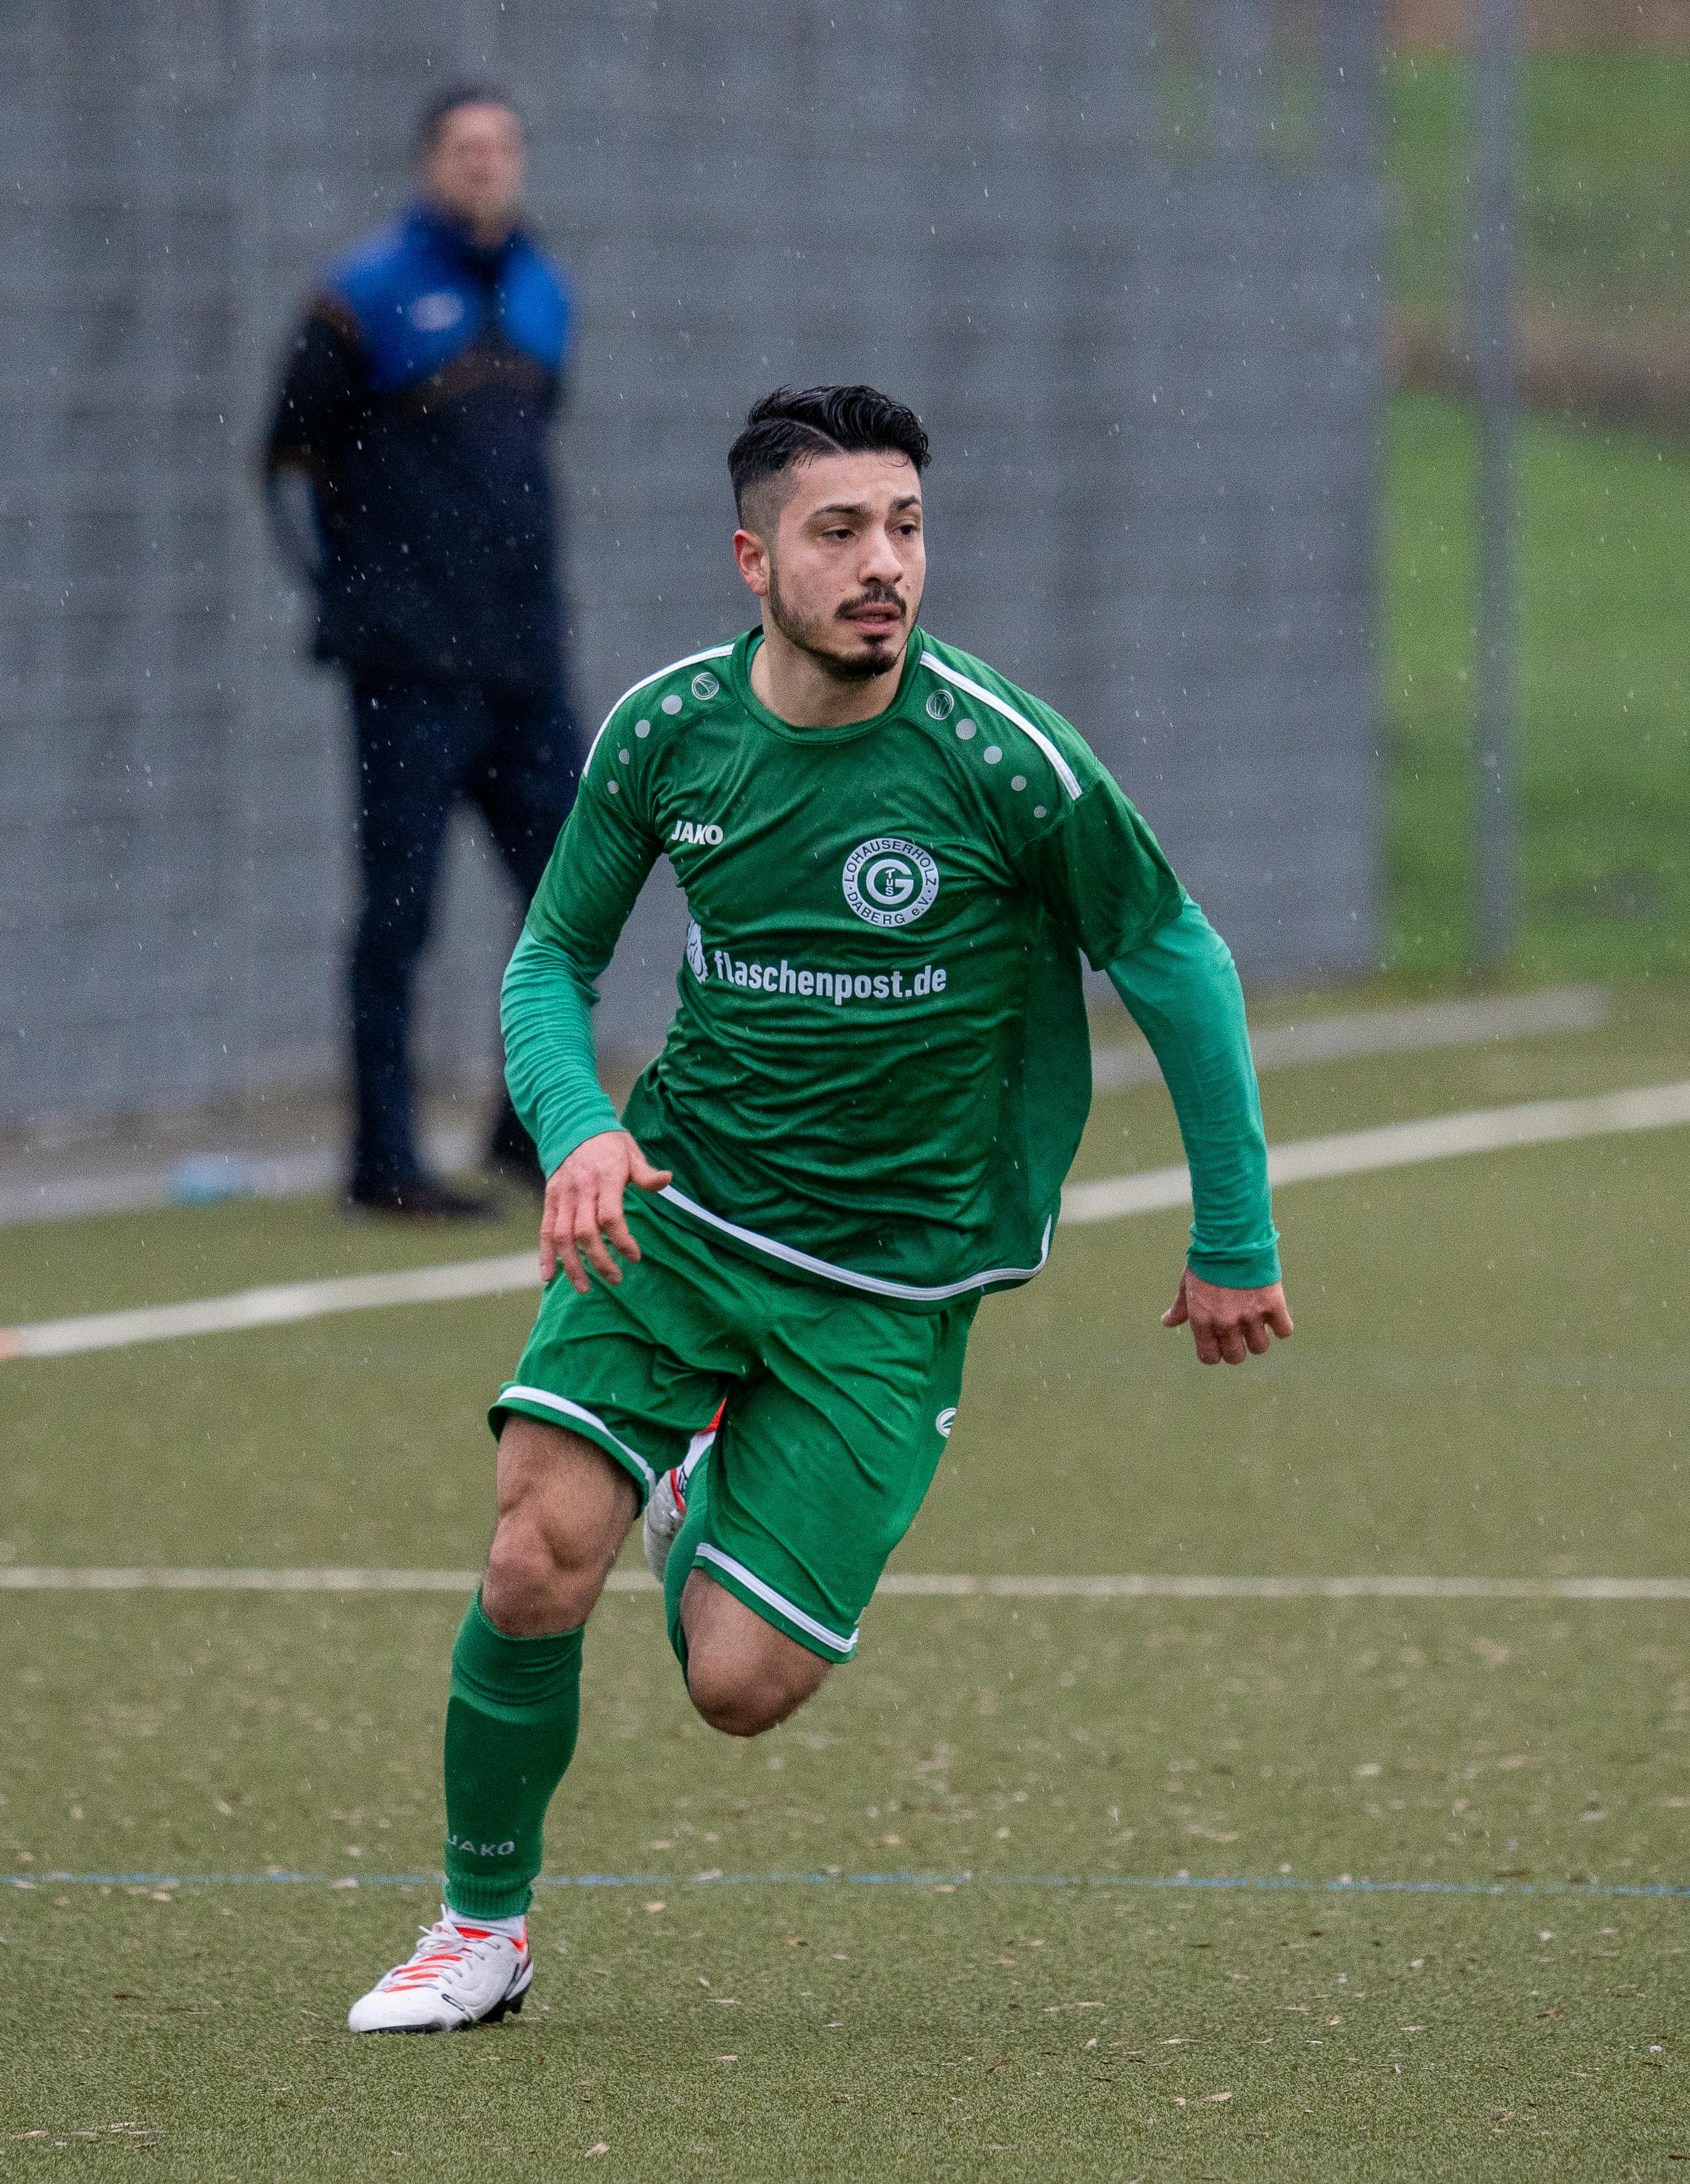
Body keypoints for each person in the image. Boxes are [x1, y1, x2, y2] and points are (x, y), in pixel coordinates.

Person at [343, 384, 1293, 2033]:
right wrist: (574, 1131)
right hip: (678, 1208)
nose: (883, 566)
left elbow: (1174, 956)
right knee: (531, 1558)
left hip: (893, 1275)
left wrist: (1234, 1239)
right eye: (839, 531)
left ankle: (695, 1484)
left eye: (906, 528)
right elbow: (554, 955)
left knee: (740, 1688)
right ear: (751, 558)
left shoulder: (1006, 759)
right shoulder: (663, 733)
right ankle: (475, 1929)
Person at [262, 84, 578, 1216]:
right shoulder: (362, 298)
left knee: (568, 898)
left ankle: (527, 1131)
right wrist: (364, 610)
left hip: (526, 667)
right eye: (464, 146)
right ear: (428, 162)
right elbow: (287, 466)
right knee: (399, 914)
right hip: (410, 671)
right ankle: (384, 1163)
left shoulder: (546, 291)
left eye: (503, 145)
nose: (486, 164)